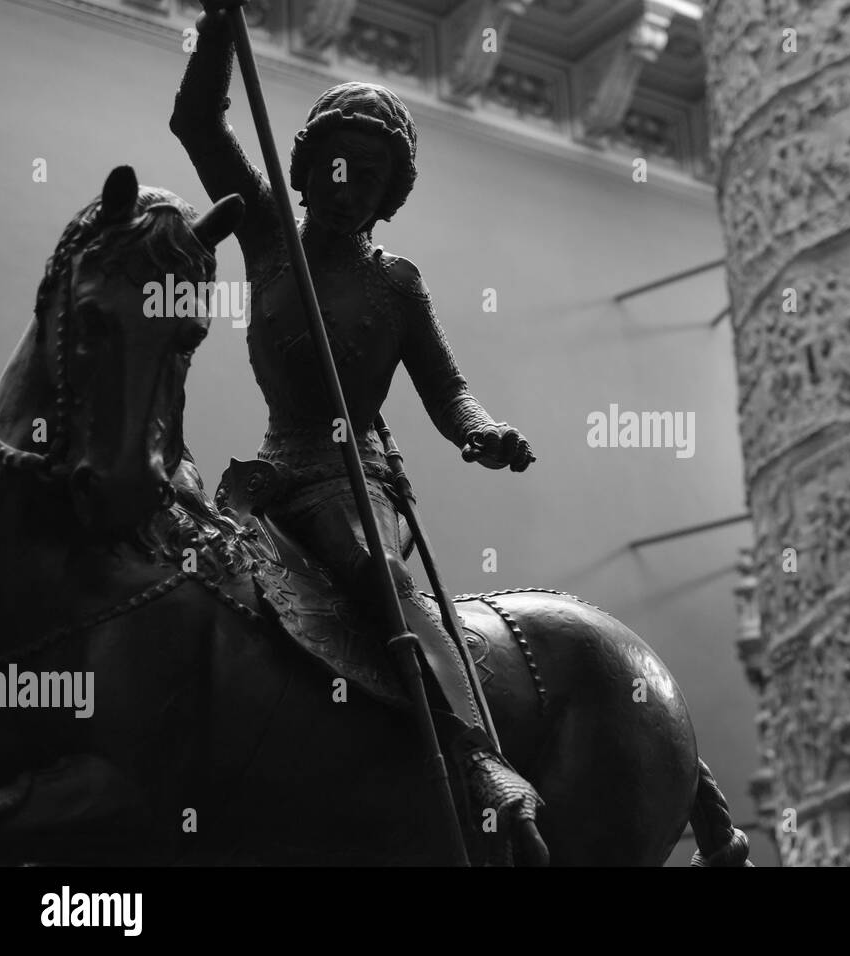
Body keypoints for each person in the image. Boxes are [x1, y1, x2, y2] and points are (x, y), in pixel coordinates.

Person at [171, 1, 545, 864]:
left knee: (373, 568)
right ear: (307, 169)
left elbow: (447, 390)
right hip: (269, 473)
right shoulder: (267, 233)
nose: (353, 184)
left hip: (355, 474)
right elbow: (196, 119)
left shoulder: (397, 286)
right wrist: (220, 25)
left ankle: (474, 758)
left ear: (390, 193)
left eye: (373, 176)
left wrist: (482, 435)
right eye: (341, 165)